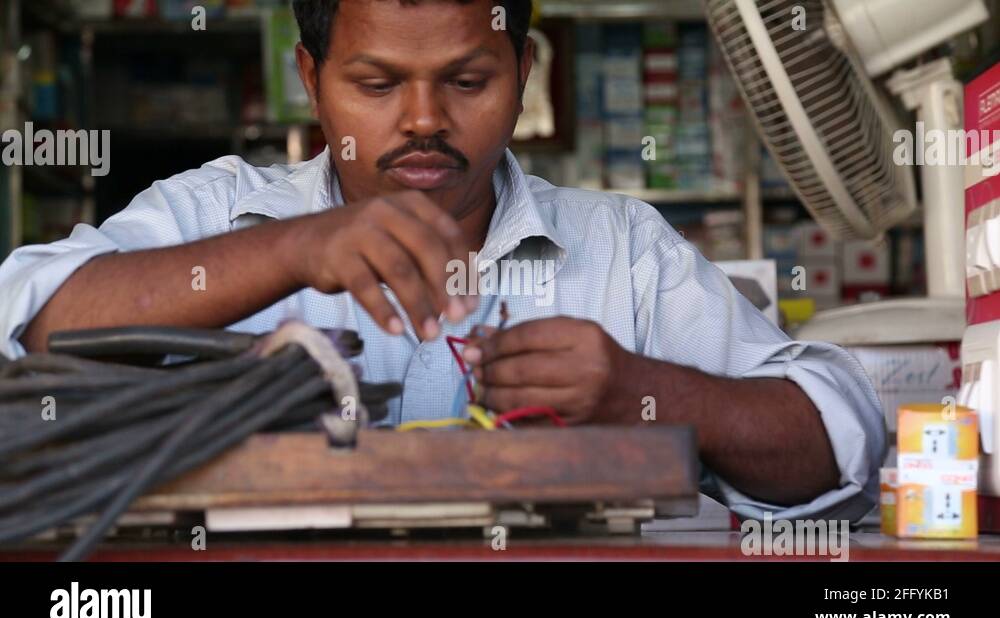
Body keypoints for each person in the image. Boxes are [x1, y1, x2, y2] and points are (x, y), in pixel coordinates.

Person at [0, 0, 885, 522]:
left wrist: (648, 392)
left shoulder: (619, 248)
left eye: (468, 82)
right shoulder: (215, 214)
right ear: (310, 78)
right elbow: (29, 327)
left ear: (524, 70)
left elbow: (841, 439)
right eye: (376, 86)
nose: (424, 120)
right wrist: (287, 250)